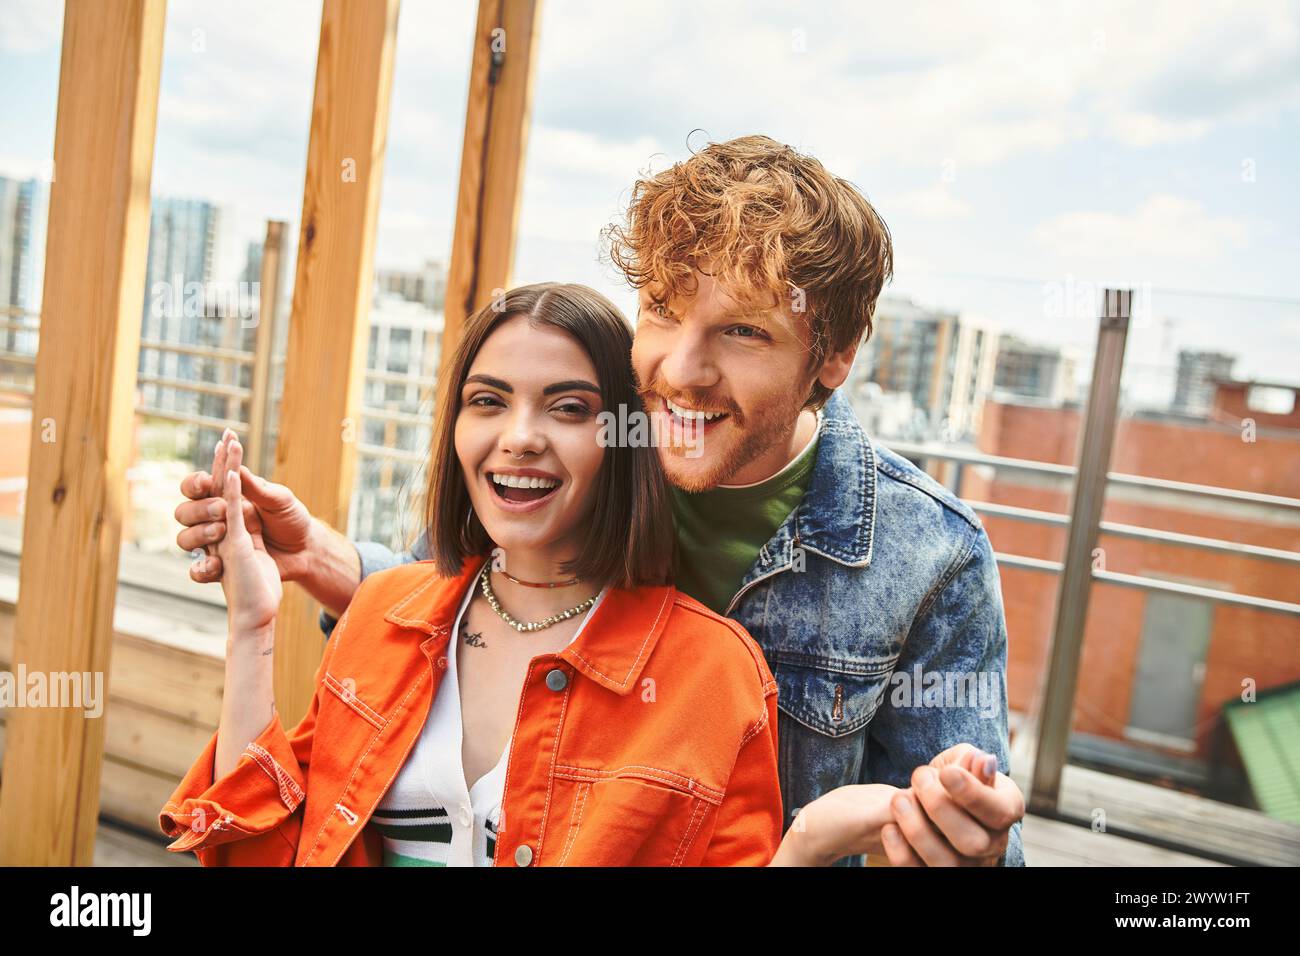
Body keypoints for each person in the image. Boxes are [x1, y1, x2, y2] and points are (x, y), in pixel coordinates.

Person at [175, 135, 1027, 866]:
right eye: (662, 310)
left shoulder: (928, 557)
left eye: (742, 331)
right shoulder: (599, 443)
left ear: (834, 354)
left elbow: (970, 834)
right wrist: (318, 562)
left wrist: (949, 834)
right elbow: (497, 600)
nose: (680, 372)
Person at [159, 284, 788, 866]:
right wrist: (251, 624)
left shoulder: (714, 673)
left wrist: (811, 845)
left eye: (569, 409)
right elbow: (257, 856)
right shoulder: (380, 610)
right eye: (487, 401)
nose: (519, 438)